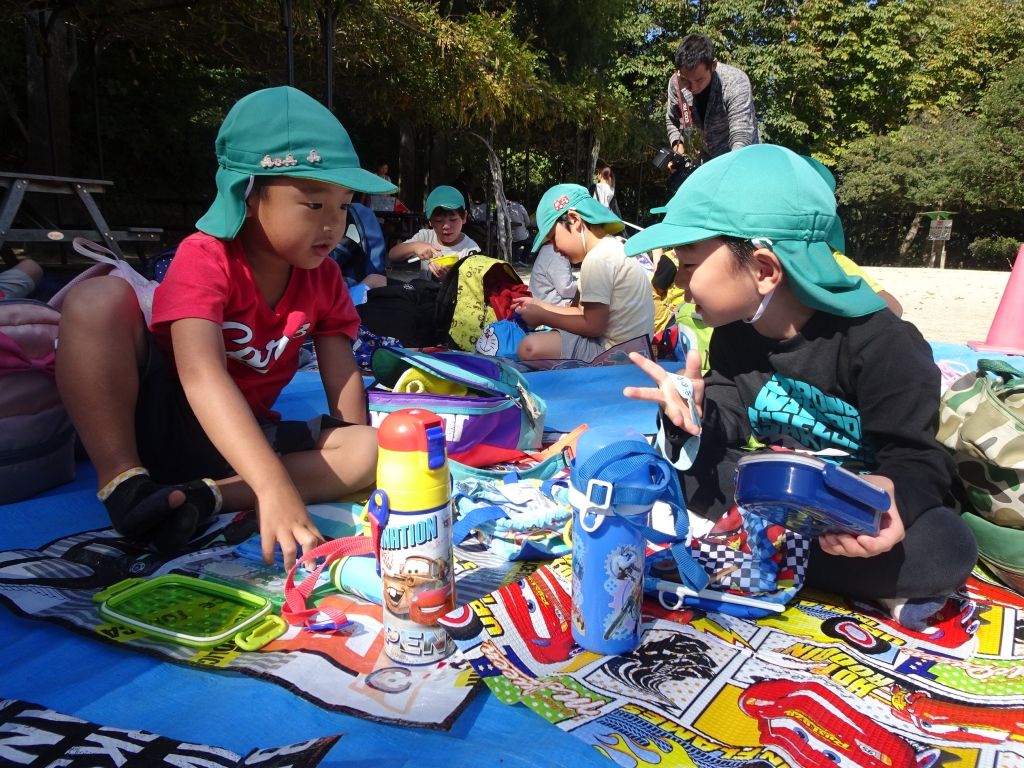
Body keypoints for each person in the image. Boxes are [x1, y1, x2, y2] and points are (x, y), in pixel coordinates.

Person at [622, 145, 976, 629]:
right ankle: (853, 580)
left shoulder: (883, 345)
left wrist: (891, 497)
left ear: (765, 270)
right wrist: (691, 413)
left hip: (852, 507)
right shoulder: (733, 335)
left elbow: (917, 458)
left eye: (688, 264)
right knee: (675, 463)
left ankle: (767, 550)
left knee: (946, 547)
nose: (679, 286)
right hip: (784, 494)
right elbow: (729, 417)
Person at [54, 87, 397, 571]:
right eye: (314, 204)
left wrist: (352, 459)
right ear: (249, 194)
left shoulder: (325, 279)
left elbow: (342, 382)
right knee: (96, 299)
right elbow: (200, 375)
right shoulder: (205, 256)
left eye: (344, 206)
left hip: (241, 441)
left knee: (365, 448)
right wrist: (273, 485)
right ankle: (123, 483)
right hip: (159, 420)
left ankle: (203, 498)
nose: (333, 226)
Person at [513, 184, 654, 362]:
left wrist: (543, 317)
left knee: (528, 348)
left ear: (574, 219)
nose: (555, 249)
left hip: (616, 352)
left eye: (553, 238)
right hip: (638, 350)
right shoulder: (612, 247)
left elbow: (593, 326)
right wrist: (537, 305)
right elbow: (580, 312)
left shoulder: (596, 260)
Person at [666, 34, 758, 164]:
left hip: (743, 158)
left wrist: (731, 170)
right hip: (708, 160)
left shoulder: (735, 81)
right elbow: (673, 121)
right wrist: (678, 155)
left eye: (699, 79)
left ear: (713, 66)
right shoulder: (676, 84)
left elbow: (741, 134)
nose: (692, 87)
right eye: (686, 80)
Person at [388, 185, 479, 281]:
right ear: (430, 221)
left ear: (464, 217)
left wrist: (450, 281)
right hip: (423, 293)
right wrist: (414, 247)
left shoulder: (471, 249)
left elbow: (474, 287)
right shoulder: (425, 237)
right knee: (376, 279)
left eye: (453, 219)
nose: (446, 226)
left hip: (453, 295)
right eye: (439, 220)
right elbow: (393, 255)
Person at [506, 190, 532, 265]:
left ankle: (515, 259)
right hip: (520, 234)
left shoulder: (503, 207)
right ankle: (523, 260)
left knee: (515, 242)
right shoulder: (520, 207)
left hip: (508, 234)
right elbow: (528, 221)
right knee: (530, 241)